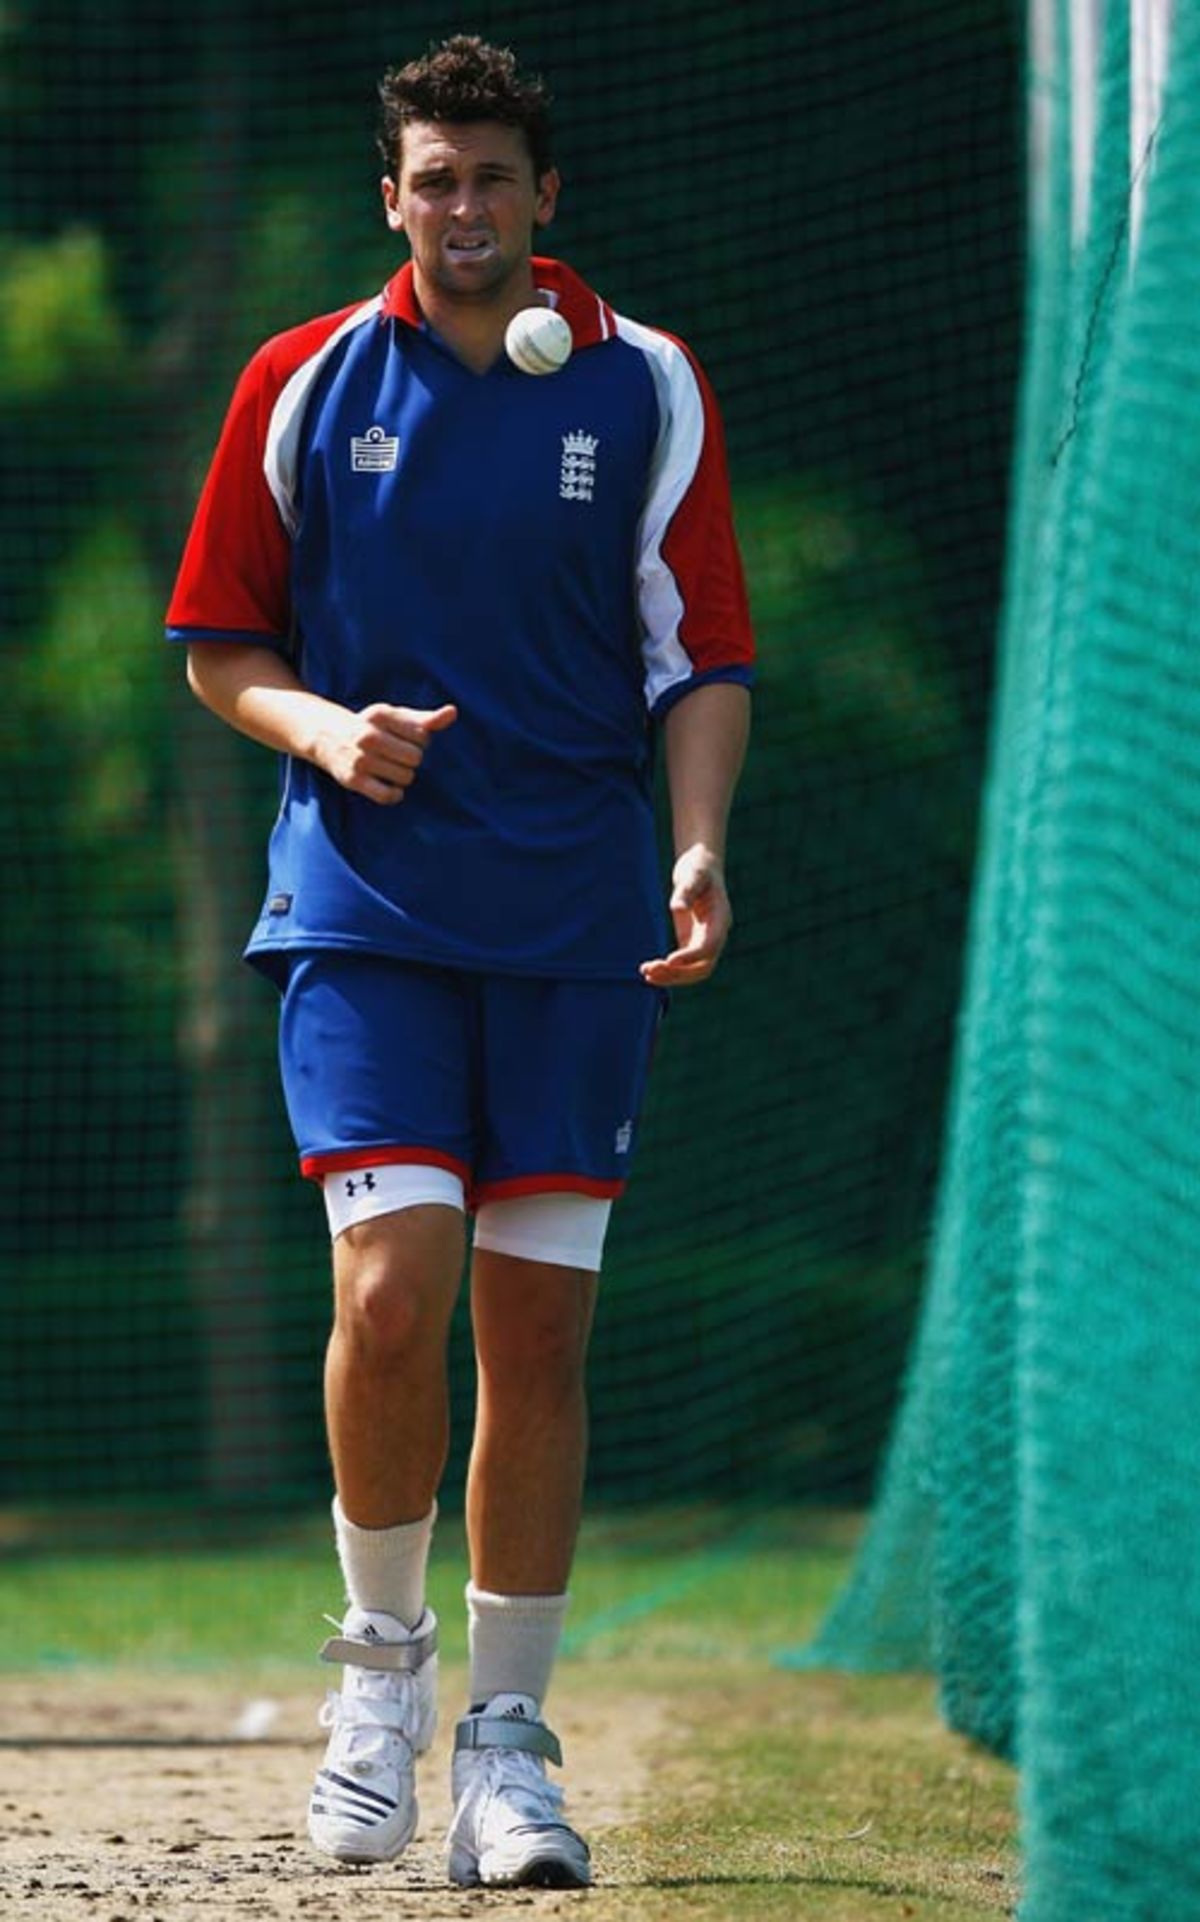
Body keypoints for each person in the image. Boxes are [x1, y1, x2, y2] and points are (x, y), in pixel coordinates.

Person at [166, 33, 753, 1891]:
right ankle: (377, 1691)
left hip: (579, 918)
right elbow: (218, 646)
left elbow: (703, 656)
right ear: (392, 195)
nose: (468, 206)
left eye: (496, 176)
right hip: (365, 909)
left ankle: (508, 1748)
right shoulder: (298, 381)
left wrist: (699, 841)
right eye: (436, 177)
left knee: (540, 1327)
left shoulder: (646, 384)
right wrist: (326, 732)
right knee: (393, 1293)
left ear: (545, 193)